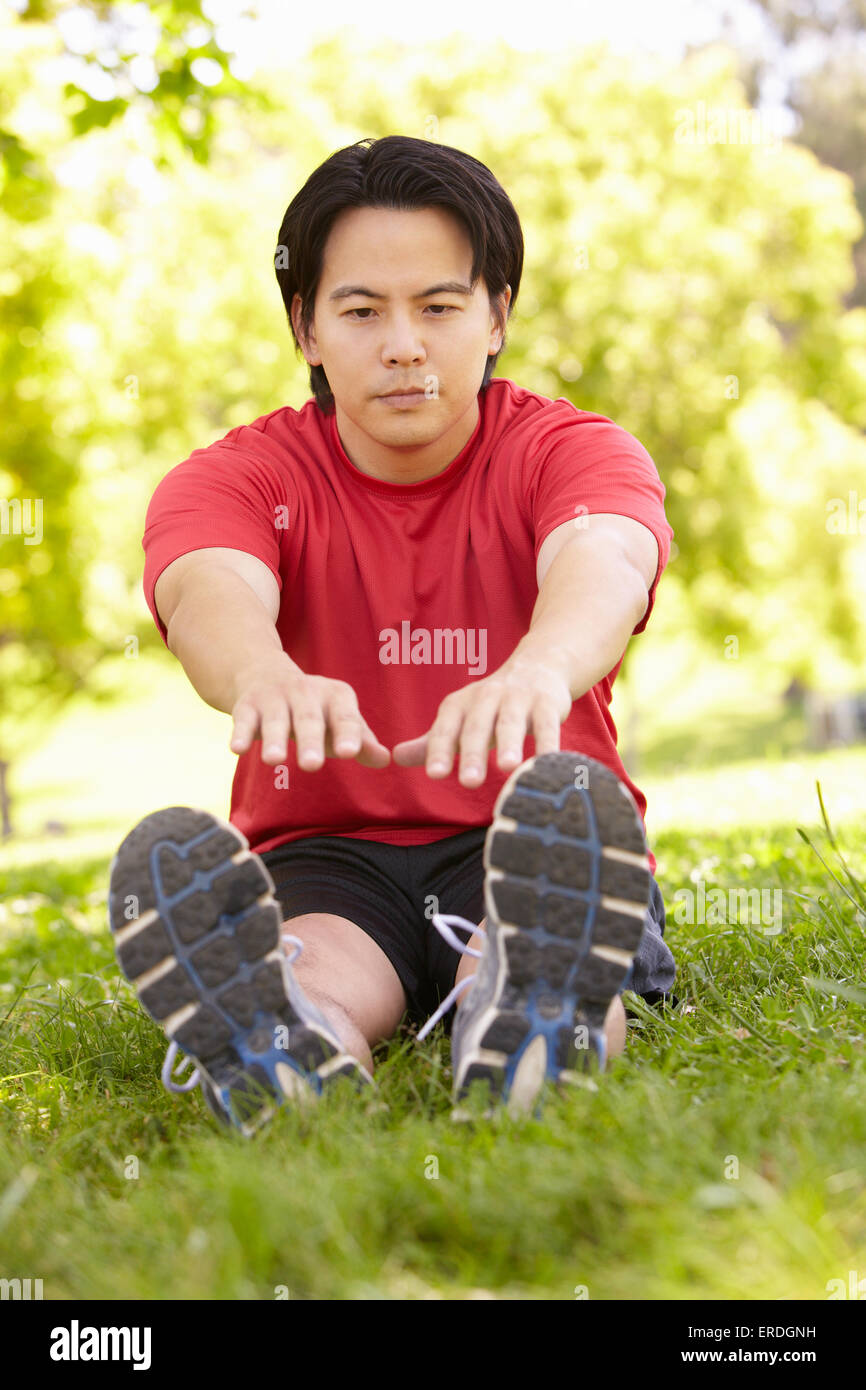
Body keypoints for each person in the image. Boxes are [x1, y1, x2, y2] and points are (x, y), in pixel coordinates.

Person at [108, 134, 676, 1136]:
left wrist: (537, 668)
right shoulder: (239, 477)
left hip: (536, 835)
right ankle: (288, 1037)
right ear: (307, 328)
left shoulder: (570, 451)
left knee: (529, 939)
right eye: (361, 311)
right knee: (314, 957)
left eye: (439, 308)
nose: (403, 344)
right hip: (326, 847)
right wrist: (261, 673)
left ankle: (534, 1010)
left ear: (496, 315)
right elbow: (206, 585)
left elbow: (605, 560)